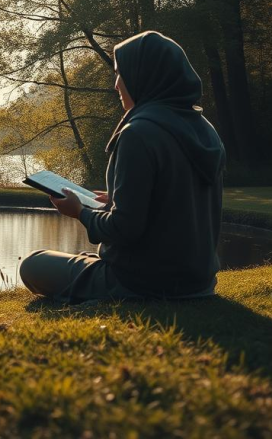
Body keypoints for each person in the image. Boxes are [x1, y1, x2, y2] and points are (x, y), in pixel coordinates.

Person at [19, 31, 226, 303]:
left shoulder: (139, 133)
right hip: (198, 283)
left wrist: (79, 212)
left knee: (32, 264)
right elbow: (169, 208)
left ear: (143, 75)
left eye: (120, 73)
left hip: (141, 283)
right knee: (74, 261)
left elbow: (125, 228)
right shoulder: (205, 130)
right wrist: (113, 201)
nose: (116, 84)